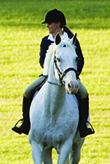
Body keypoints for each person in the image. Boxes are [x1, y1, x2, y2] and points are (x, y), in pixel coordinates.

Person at [11, 9, 95, 138]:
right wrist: (52, 72)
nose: (47, 26)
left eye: (49, 23)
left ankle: (84, 126)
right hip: (48, 75)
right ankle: (25, 123)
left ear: (58, 23)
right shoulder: (46, 40)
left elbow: (80, 59)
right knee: (27, 91)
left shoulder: (72, 40)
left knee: (83, 94)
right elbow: (42, 60)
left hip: (69, 76)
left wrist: (73, 74)